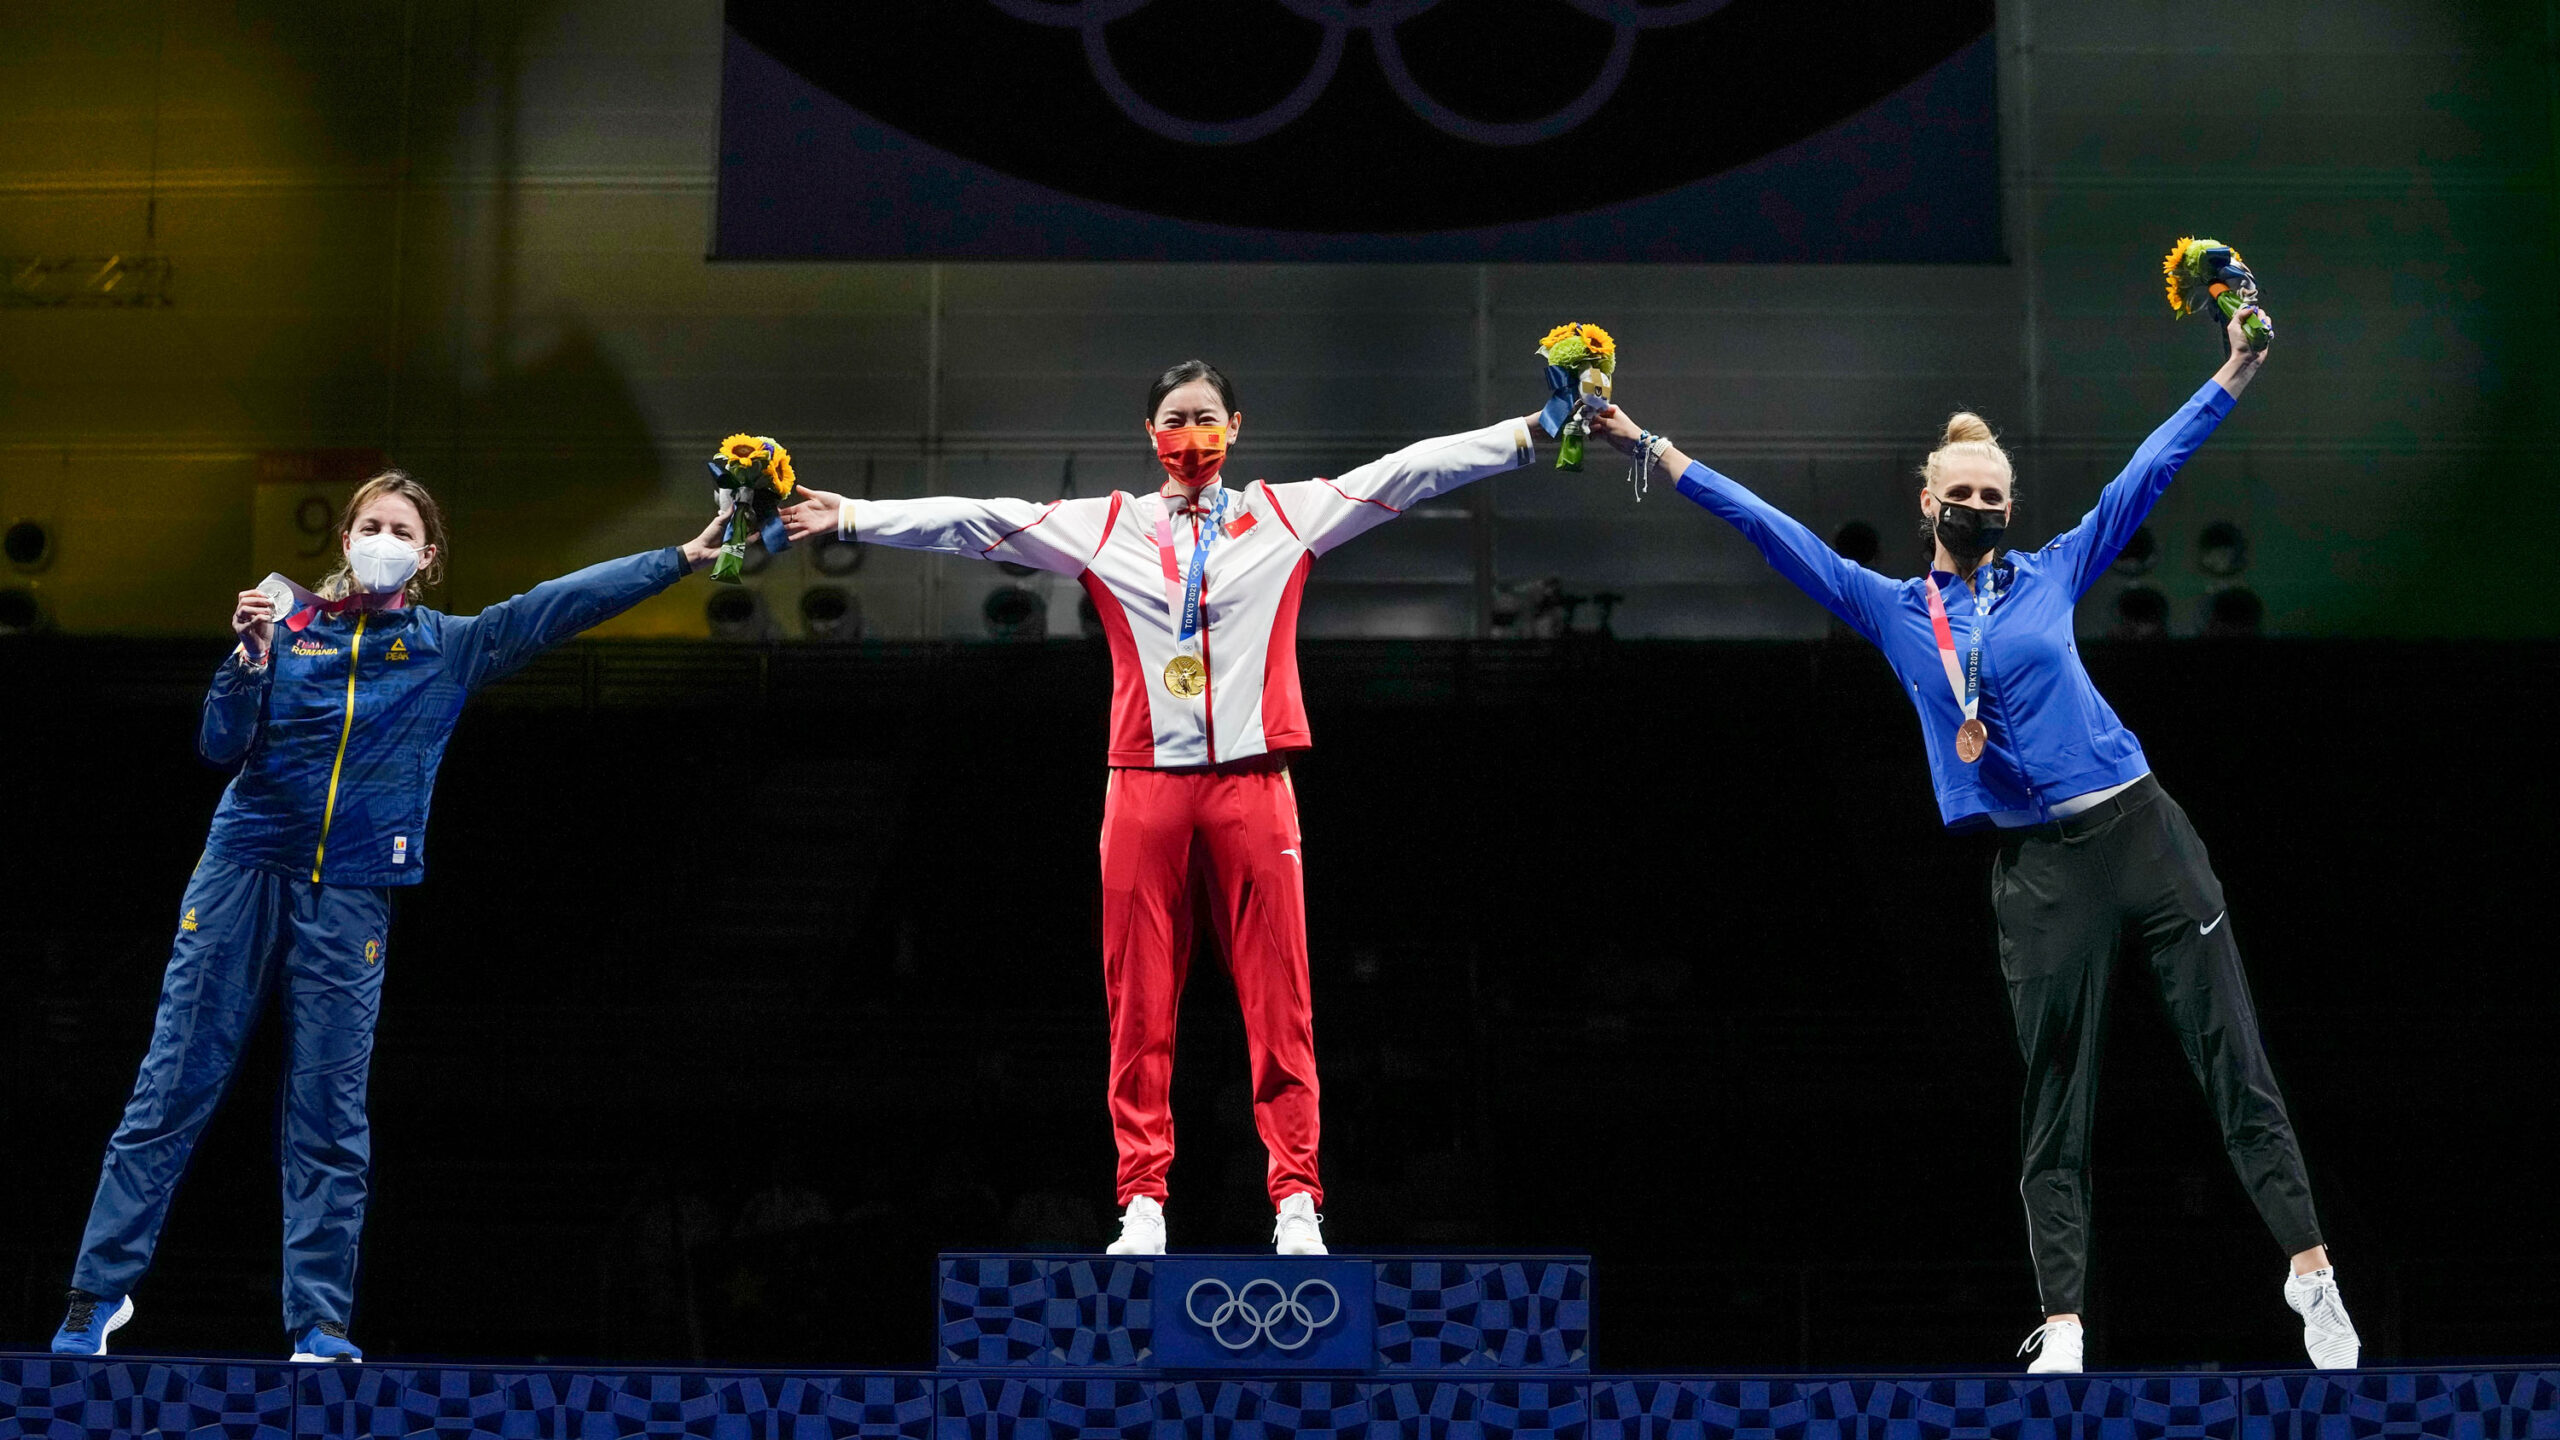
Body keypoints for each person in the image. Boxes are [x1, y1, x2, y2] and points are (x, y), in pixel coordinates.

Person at [1591, 306, 2362, 1373]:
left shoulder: (2048, 571)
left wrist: (2234, 368)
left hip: (2143, 830)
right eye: (1962, 496)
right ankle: (2063, 1325)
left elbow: (2148, 469)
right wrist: (1651, 448)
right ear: (1927, 503)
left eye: (1994, 497)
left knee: (2231, 1054)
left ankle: (2311, 1273)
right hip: (2041, 873)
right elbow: (1768, 528)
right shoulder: (1891, 608)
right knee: (2056, 1093)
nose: (1980, 507)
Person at [781, 360, 1555, 1256]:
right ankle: (1142, 1199)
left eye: (1207, 418)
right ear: (1149, 434)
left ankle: (1297, 1198)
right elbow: (975, 521)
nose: (1192, 436)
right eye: (1175, 419)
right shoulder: (1103, 526)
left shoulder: (1288, 514)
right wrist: (850, 515)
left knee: (1282, 995)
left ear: (1238, 426)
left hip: (1254, 784)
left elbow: (1414, 470)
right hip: (1142, 784)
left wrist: (1531, 431)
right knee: (1139, 998)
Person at [49, 471, 728, 1362]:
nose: (382, 536)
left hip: (355, 890)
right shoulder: (289, 628)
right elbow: (219, 745)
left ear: (428, 556)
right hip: (242, 871)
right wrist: (248, 658)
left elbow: (559, 604)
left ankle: (319, 1325)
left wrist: (676, 559)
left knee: (328, 1114)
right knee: (172, 1083)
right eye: (368, 523)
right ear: (345, 540)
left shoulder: (449, 647)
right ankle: (97, 1297)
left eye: (400, 528)